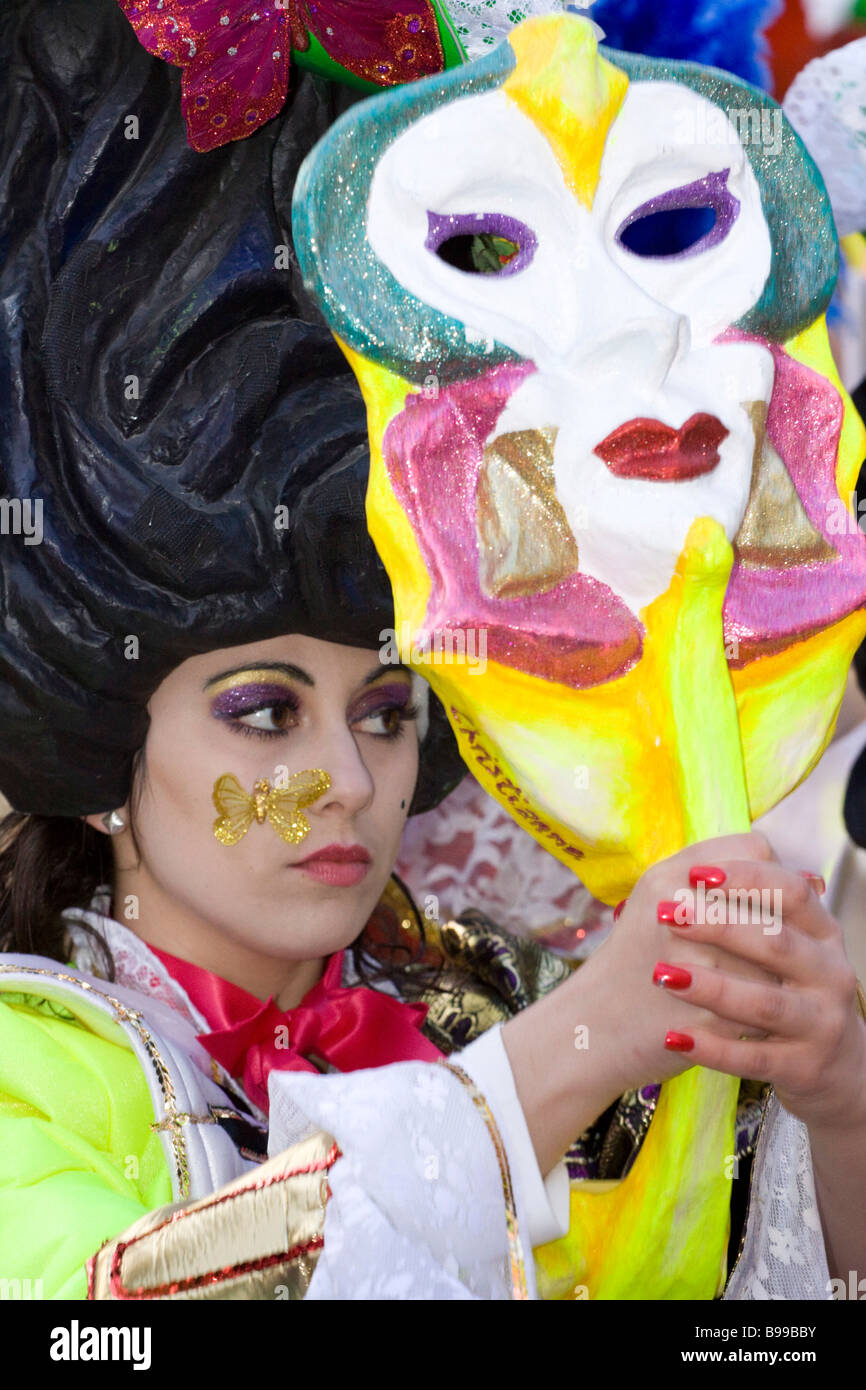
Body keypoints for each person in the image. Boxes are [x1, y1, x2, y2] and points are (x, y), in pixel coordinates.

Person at [1, 0, 864, 1303]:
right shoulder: (28, 1065)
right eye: (260, 711)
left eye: (389, 710)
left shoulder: (490, 997)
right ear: (113, 737)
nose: (347, 780)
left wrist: (835, 1098)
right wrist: (576, 1047)